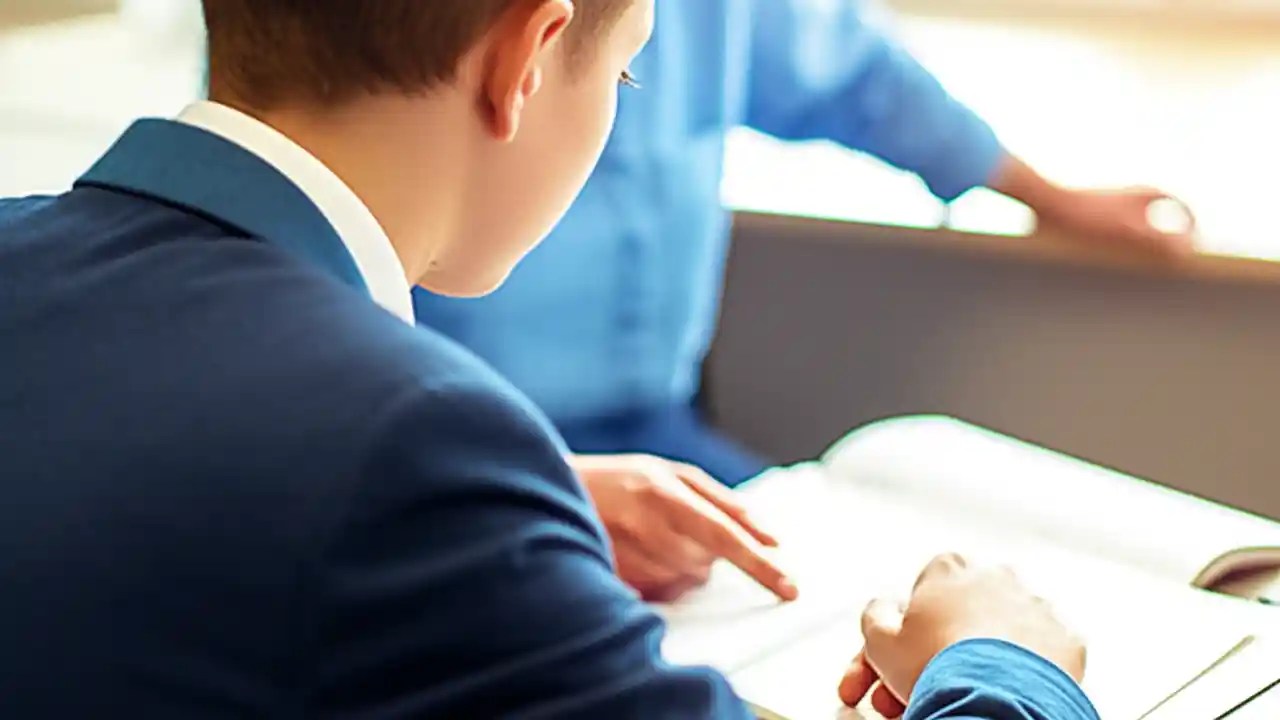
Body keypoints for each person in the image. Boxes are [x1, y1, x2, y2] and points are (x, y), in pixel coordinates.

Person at [0, 1, 1101, 718]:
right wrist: (1005, 664)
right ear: (526, 58)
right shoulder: (414, 449)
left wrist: (526, 506)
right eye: (624, 76)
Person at [411, 1, 1199, 577]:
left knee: (866, 581)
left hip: (660, 429)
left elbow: (854, 73)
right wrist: (541, 495)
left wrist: (1045, 195)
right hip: (464, 461)